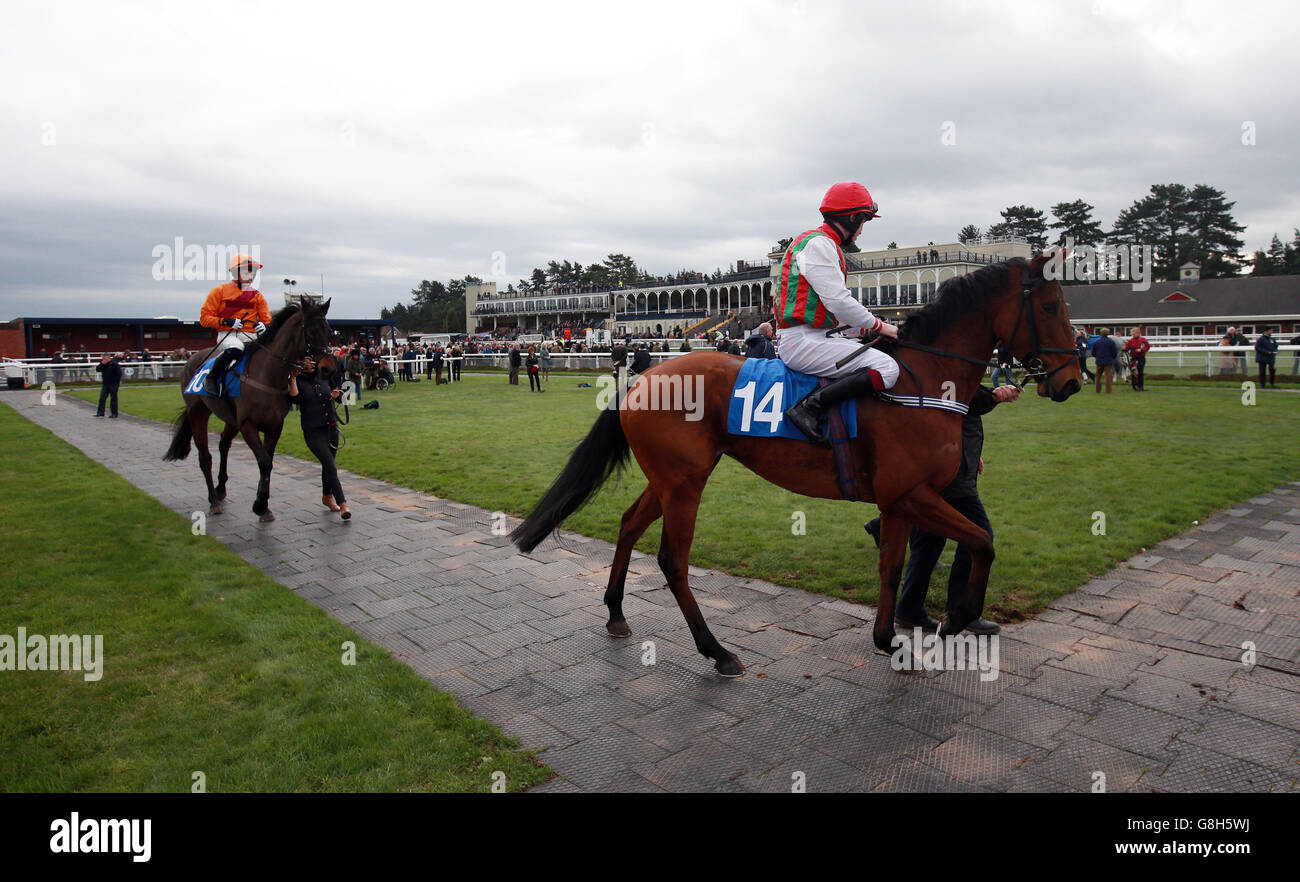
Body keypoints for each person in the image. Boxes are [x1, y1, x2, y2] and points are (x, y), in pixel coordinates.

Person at [864, 383, 1020, 635]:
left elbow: (956, 407)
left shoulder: (940, 364)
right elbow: (963, 397)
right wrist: (995, 395)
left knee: (929, 539)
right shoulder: (950, 367)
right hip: (952, 471)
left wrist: (971, 452)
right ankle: (961, 613)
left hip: (946, 461)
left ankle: (909, 609)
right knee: (978, 537)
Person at [777, 182, 900, 447]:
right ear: (853, 217)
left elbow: (832, 311)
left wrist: (864, 329)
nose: (861, 231)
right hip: (803, 342)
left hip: (814, 336)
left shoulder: (821, 243)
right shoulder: (821, 244)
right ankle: (808, 408)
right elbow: (839, 302)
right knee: (888, 368)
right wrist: (880, 326)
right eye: (864, 221)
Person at [199, 254, 272, 397]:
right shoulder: (219, 291)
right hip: (228, 335)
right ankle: (211, 378)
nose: (251, 275)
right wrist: (226, 322)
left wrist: (265, 326)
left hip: (252, 336)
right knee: (236, 348)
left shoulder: (258, 296)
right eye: (247, 272)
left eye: (253, 272)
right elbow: (204, 319)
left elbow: (267, 319)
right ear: (236, 273)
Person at [287, 357, 350, 520]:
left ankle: (327, 496)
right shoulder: (298, 379)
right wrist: (292, 378)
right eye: (306, 360)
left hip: (330, 427)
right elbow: (294, 398)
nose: (309, 362)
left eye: (311, 360)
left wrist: (336, 395)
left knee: (328, 465)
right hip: (313, 431)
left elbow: (338, 395)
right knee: (330, 465)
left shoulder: (324, 376)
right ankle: (343, 505)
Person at [94, 352, 123, 417]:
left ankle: (114, 413)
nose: (104, 359)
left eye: (105, 358)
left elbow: (119, 373)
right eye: (103, 358)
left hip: (113, 384)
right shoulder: (103, 364)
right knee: (102, 398)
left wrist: (116, 382)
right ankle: (100, 413)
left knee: (113, 398)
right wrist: (102, 364)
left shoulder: (114, 364)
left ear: (108, 358)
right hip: (105, 384)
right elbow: (97, 369)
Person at [1123, 326, 1150, 391]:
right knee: (1133, 372)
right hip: (1133, 358)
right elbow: (1126, 345)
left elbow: (1147, 347)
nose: (1133, 335)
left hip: (1140, 358)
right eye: (1132, 334)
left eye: (1134, 334)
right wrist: (1124, 348)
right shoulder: (1131, 340)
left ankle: (1140, 386)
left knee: (1140, 372)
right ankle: (1134, 386)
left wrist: (1141, 350)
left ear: (1138, 333)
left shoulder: (1143, 340)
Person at [1091, 328, 1118, 394]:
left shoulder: (1096, 342)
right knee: (1108, 376)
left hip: (1099, 361)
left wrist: (1097, 357)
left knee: (1098, 376)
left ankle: (1097, 390)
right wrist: (1112, 358)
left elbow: (1093, 353)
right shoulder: (1111, 342)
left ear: (1101, 333)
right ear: (1108, 333)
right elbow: (1114, 352)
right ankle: (1108, 391)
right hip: (1108, 361)